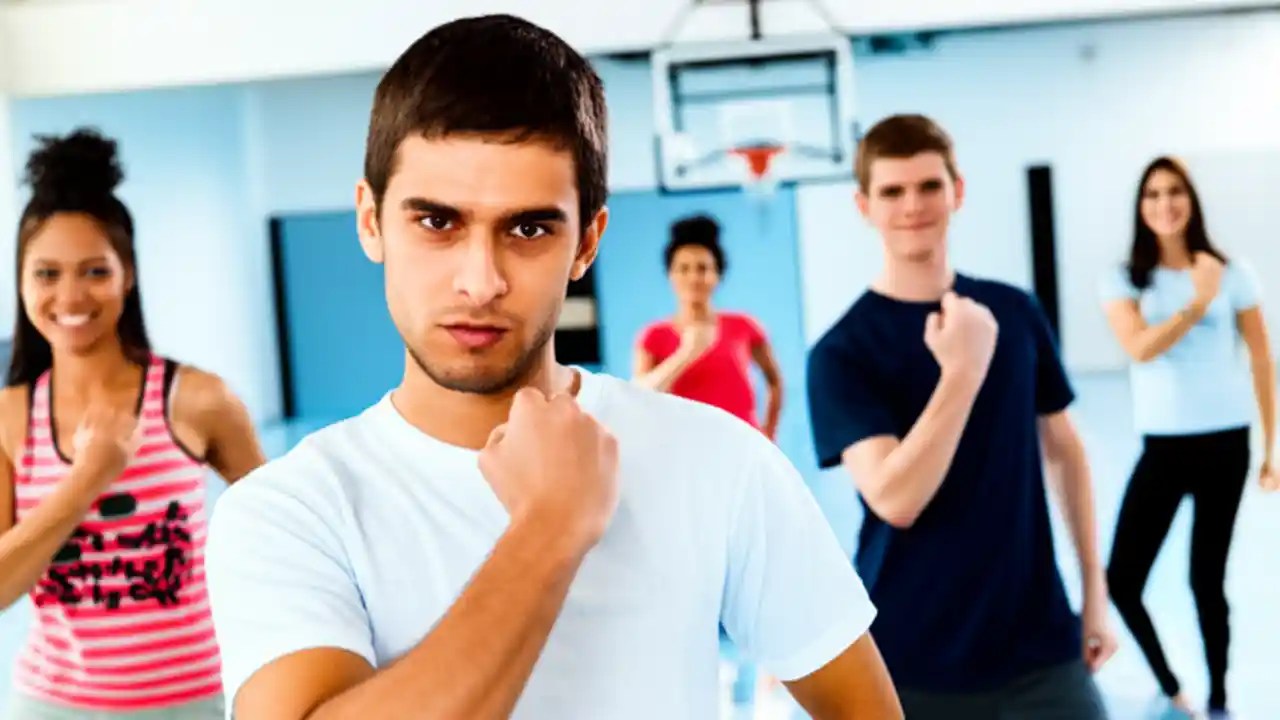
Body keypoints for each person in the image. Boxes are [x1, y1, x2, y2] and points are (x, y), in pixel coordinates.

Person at [203, 14, 903, 720]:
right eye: (437, 222)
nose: (479, 281)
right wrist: (549, 530)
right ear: (370, 220)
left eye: (528, 229)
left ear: (587, 243)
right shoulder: (287, 511)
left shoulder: (719, 460)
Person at [805, 113, 1117, 719]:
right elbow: (895, 497)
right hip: (909, 657)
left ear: (958, 191)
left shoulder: (1016, 312)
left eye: (928, 186)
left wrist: (1094, 593)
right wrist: (964, 369)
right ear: (863, 205)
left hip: (1038, 644)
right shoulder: (843, 351)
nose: (912, 205)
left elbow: (1065, 449)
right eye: (892, 191)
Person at [0, 129, 267, 719]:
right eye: (46, 274)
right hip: (52, 705)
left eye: (94, 271)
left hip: (195, 699)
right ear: (22, 284)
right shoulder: (10, 416)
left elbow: (282, 526)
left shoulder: (196, 399)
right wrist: (90, 477)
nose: (70, 294)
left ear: (129, 275)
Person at [1099, 156, 1277, 719]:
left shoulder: (1234, 271)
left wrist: (1273, 448)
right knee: (1122, 579)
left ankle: (1220, 697)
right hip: (1164, 447)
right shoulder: (1124, 277)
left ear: (1191, 200)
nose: (1165, 203)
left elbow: (1261, 358)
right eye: (1152, 194)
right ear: (1140, 206)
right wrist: (1198, 302)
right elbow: (1139, 348)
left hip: (1226, 443)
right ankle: (1171, 684)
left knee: (1206, 581)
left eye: (1175, 191)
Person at [632, 213, 783, 440]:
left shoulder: (744, 326)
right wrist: (686, 354)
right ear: (670, 275)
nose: (693, 277)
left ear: (717, 274)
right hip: (687, 451)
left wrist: (769, 434)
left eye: (702, 268)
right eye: (683, 268)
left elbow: (775, 381)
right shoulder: (654, 336)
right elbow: (638, 395)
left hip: (743, 448)